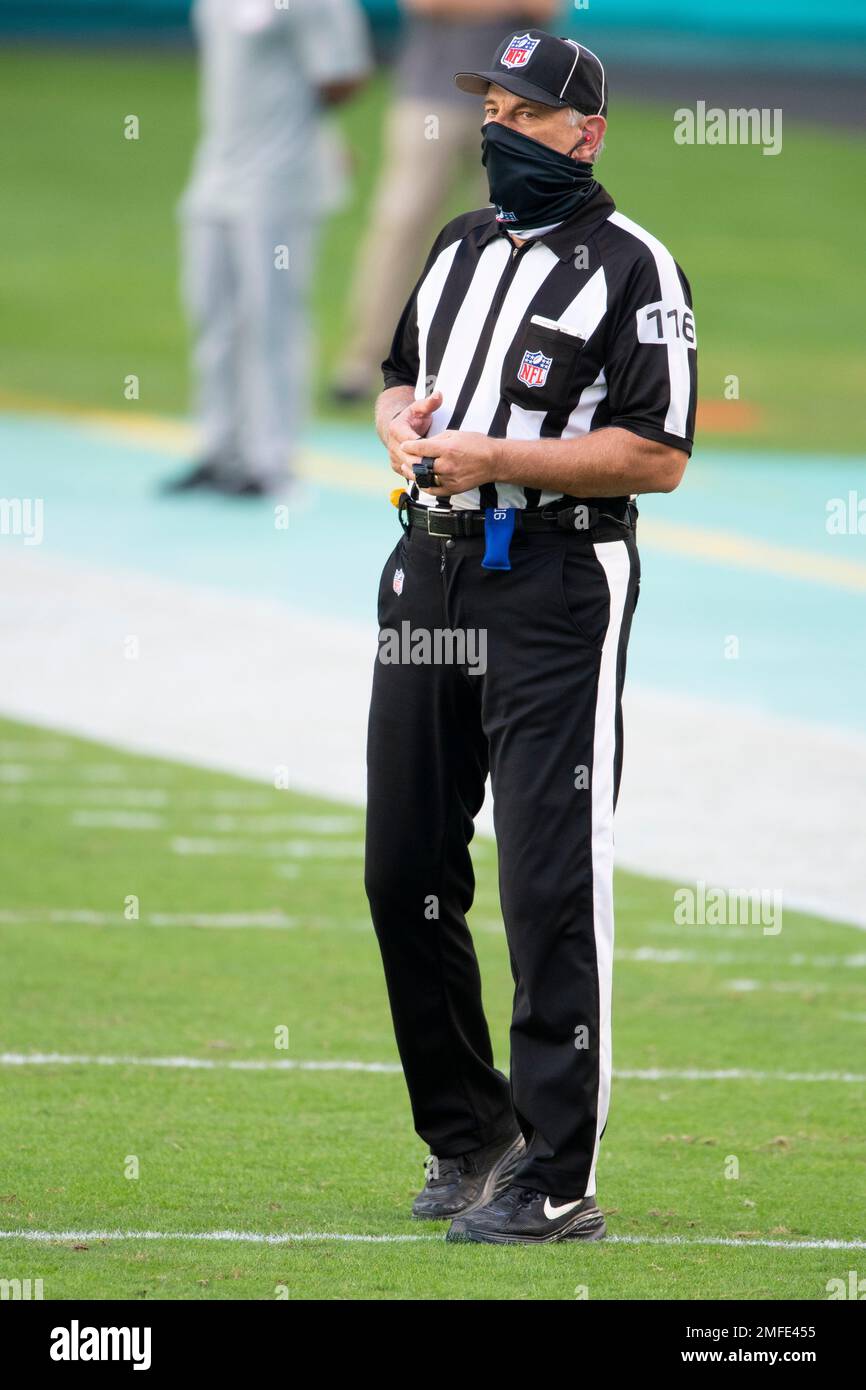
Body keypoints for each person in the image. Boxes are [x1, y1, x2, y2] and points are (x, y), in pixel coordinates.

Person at [364, 29, 697, 1244]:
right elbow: (401, 376)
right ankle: (470, 1132)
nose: (496, 129)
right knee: (402, 867)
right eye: (489, 108)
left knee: (548, 881)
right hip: (429, 567)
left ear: (583, 132)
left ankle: (557, 1178)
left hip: (555, 579)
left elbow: (656, 455)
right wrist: (404, 427)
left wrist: (499, 456)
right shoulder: (457, 249)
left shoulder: (633, 268)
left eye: (521, 112)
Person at [164, 0, 371, 496]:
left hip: (280, 177)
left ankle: (271, 460)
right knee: (211, 311)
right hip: (216, 170)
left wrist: (308, 135)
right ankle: (220, 448)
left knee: (271, 317)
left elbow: (344, 73)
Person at [332, 0, 556, 402]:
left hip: (516, 104)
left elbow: (543, 8)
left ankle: (502, 363)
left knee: (519, 230)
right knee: (401, 226)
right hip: (429, 96)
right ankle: (366, 363)